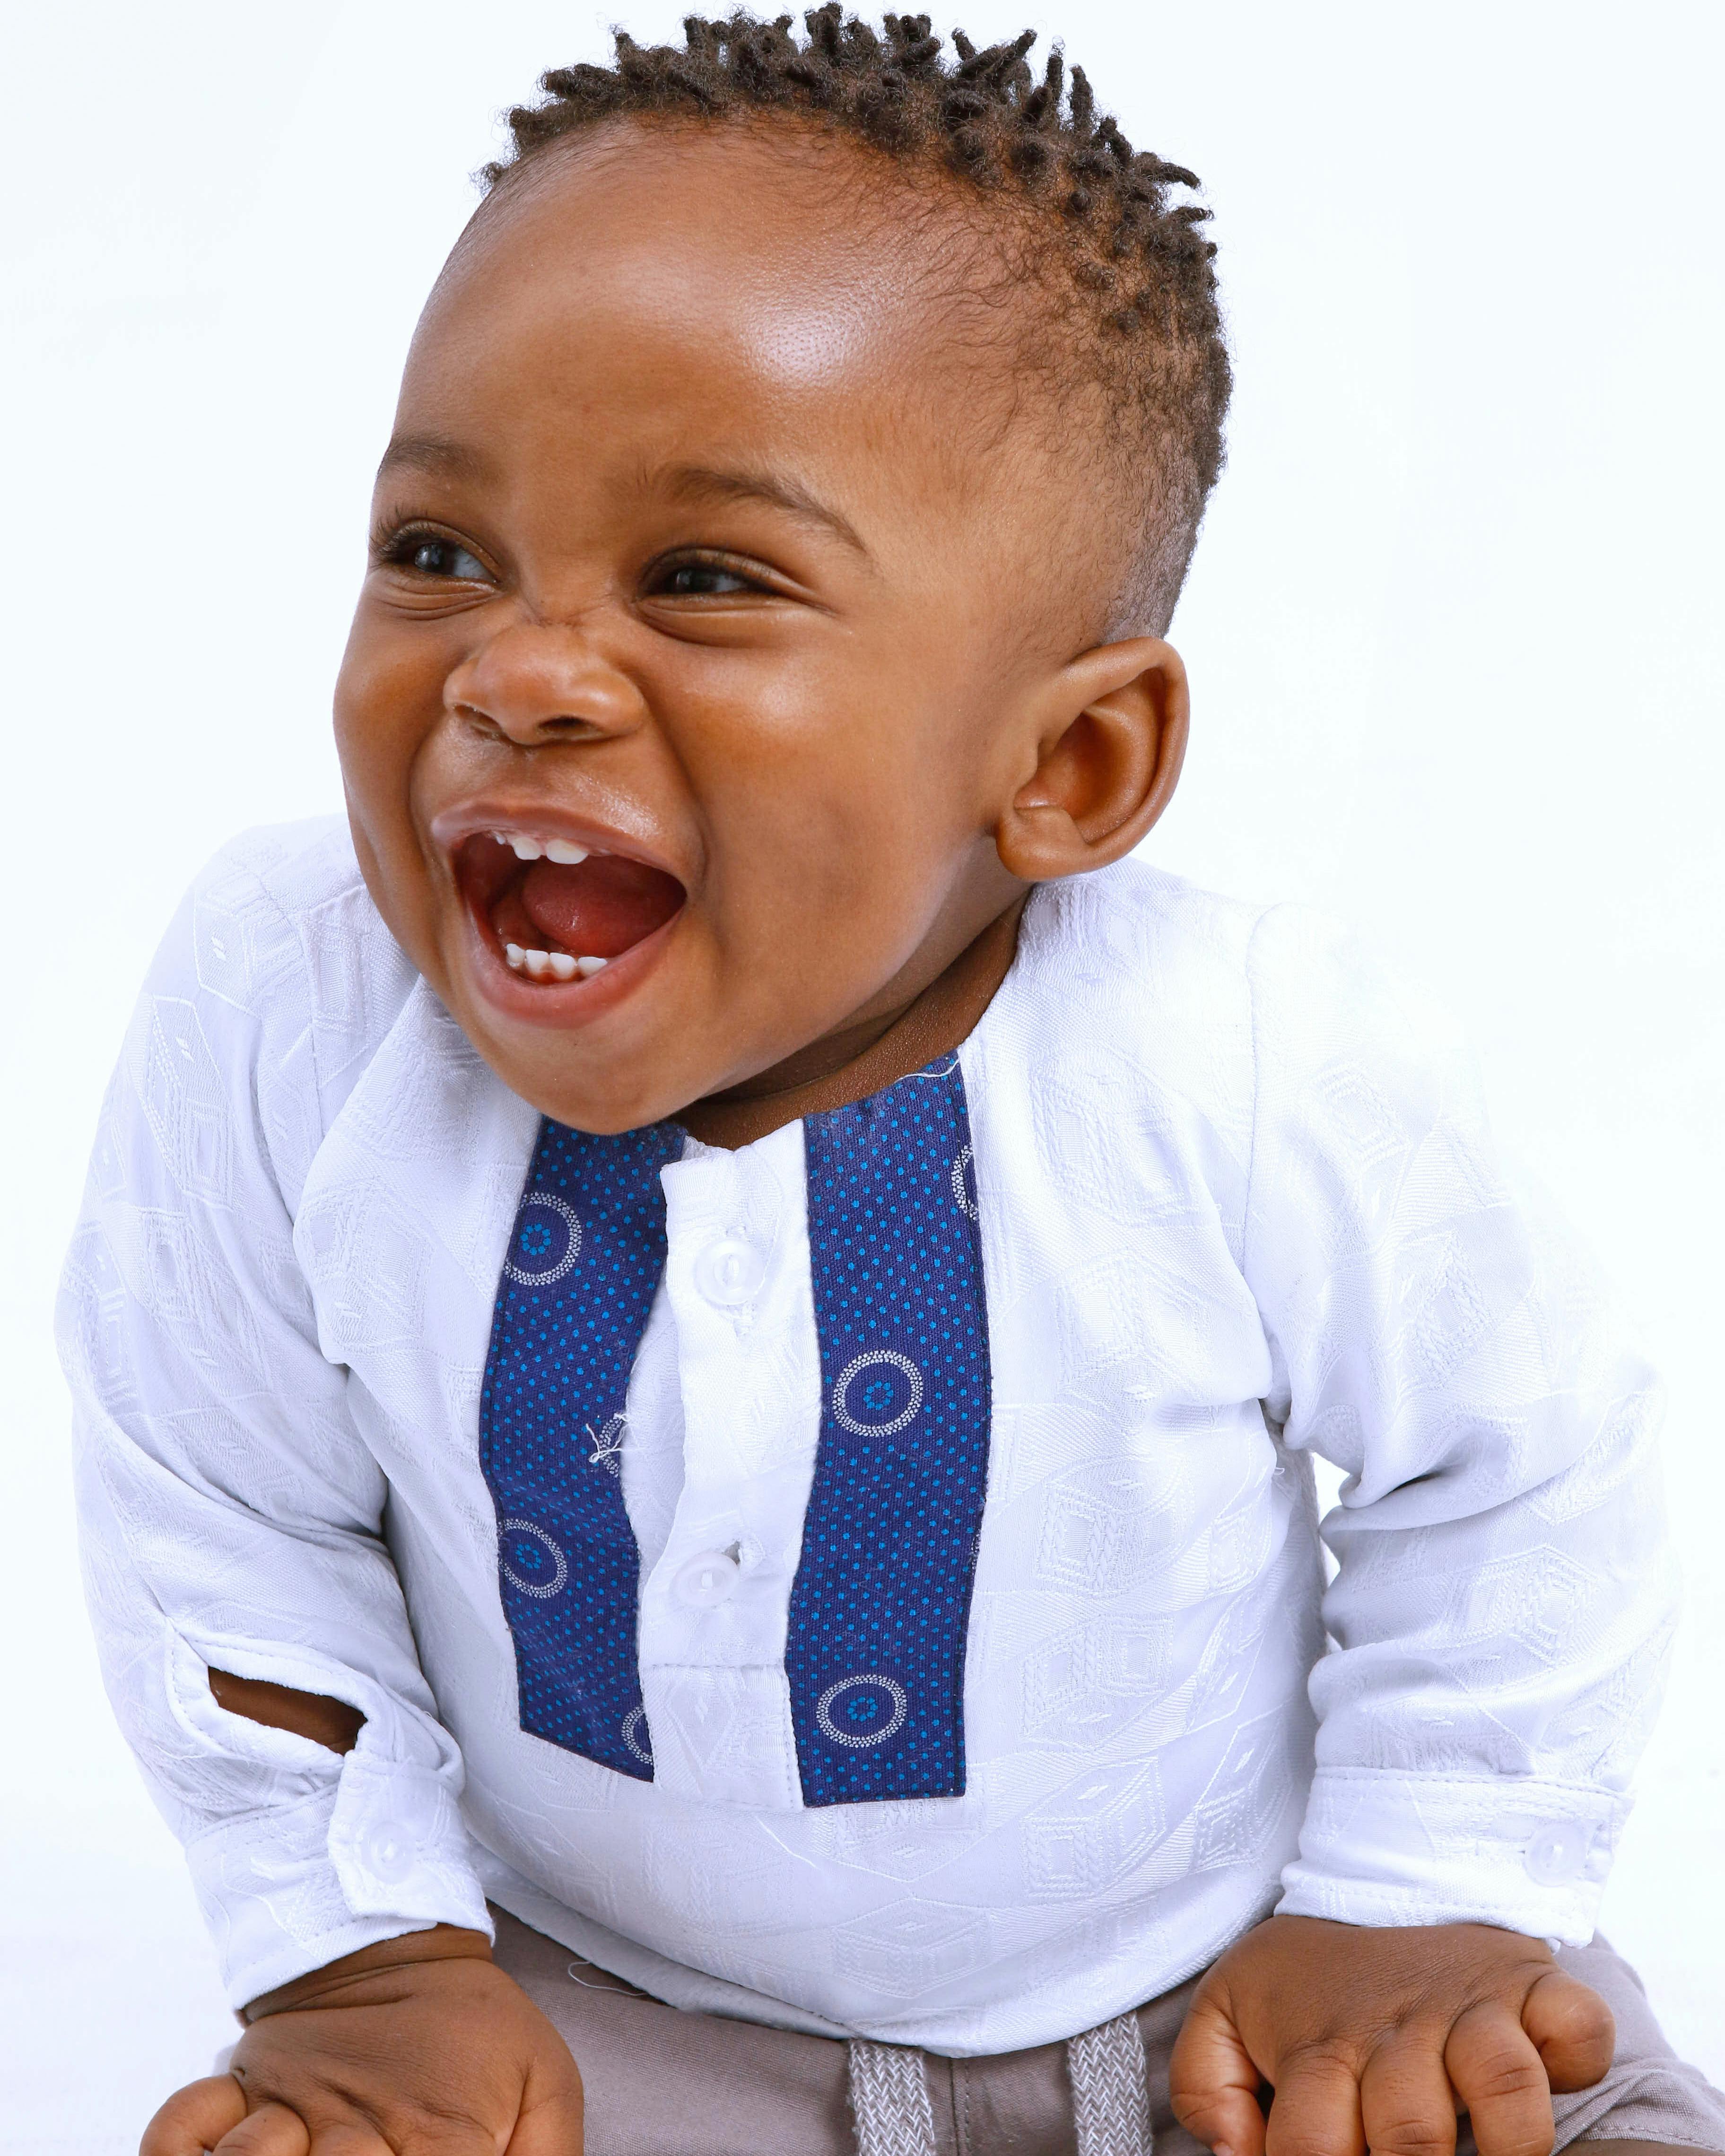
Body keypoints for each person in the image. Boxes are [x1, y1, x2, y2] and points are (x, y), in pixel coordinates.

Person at [58, 12, 1725, 2155]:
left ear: (1066, 766)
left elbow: (1517, 1465)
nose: (518, 674)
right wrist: (363, 1965)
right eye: (441, 554)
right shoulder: (290, 999)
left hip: (1247, 1994)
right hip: (608, 2013)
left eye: (705, 581)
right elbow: (218, 1503)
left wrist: (1413, 1909)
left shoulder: (1236, 1059)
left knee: (1574, 2116)